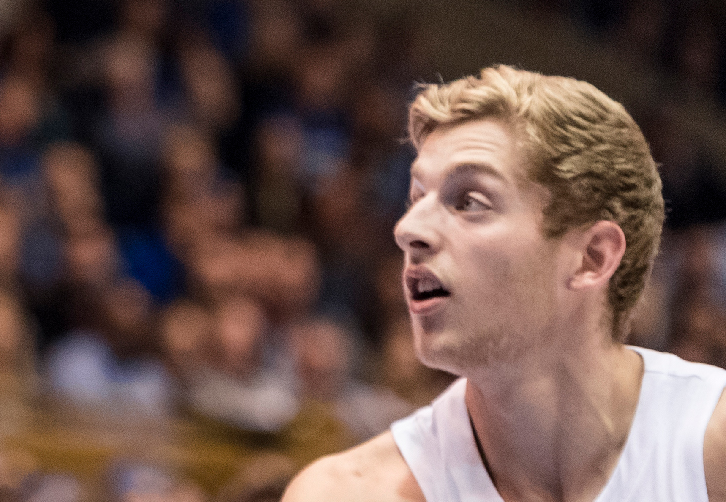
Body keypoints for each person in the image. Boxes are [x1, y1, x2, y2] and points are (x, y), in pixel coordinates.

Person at [283, 66, 726, 501]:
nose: (407, 228)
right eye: (416, 196)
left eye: (470, 200)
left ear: (592, 257)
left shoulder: (712, 447)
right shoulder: (348, 493)